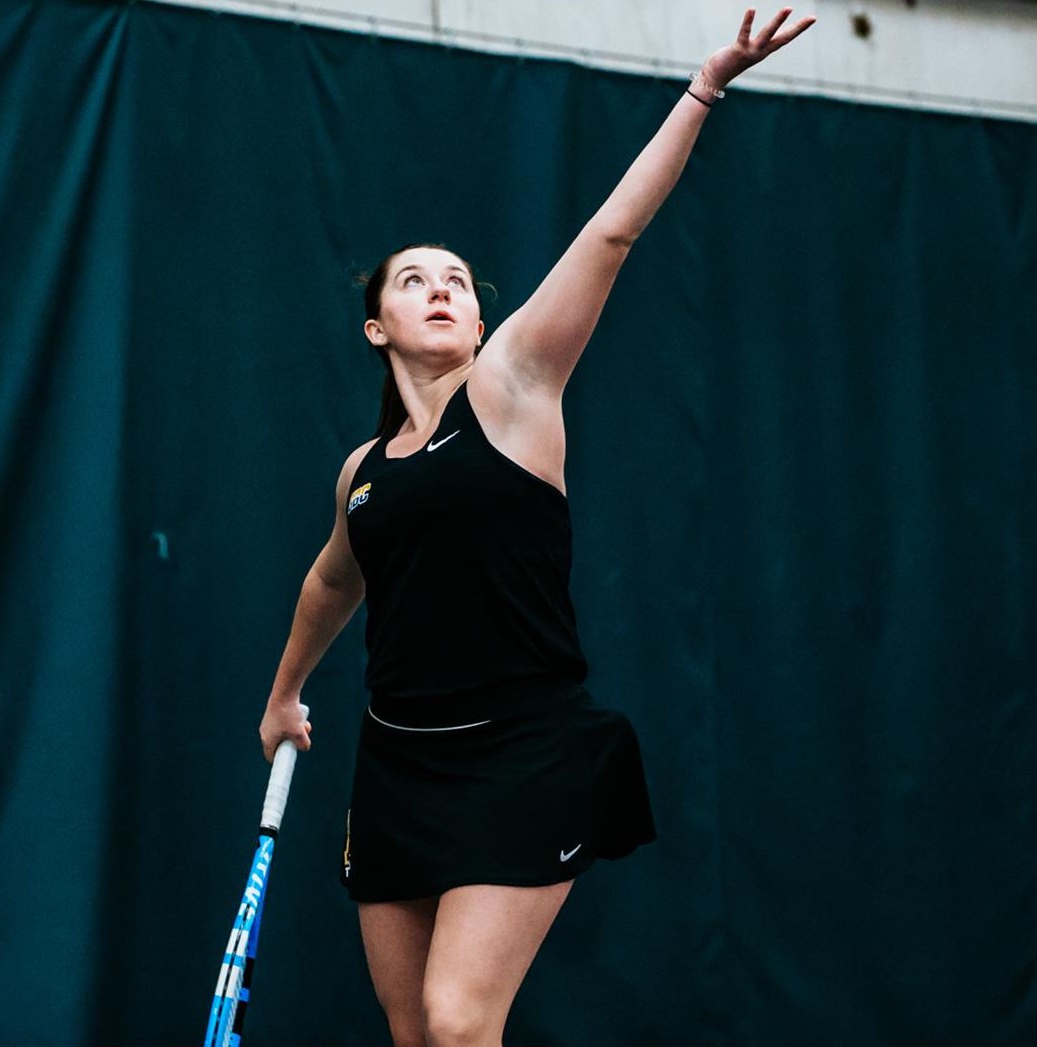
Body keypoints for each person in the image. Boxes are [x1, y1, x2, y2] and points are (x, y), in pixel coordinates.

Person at [256, 9, 816, 1045]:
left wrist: (704, 87)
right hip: (396, 763)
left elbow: (610, 233)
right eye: (413, 280)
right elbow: (334, 582)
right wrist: (285, 694)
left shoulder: (514, 386)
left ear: (479, 321)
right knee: (413, 1031)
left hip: (524, 752)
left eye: (458, 281)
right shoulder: (362, 475)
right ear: (376, 325)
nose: (441, 290)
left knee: (459, 1021)